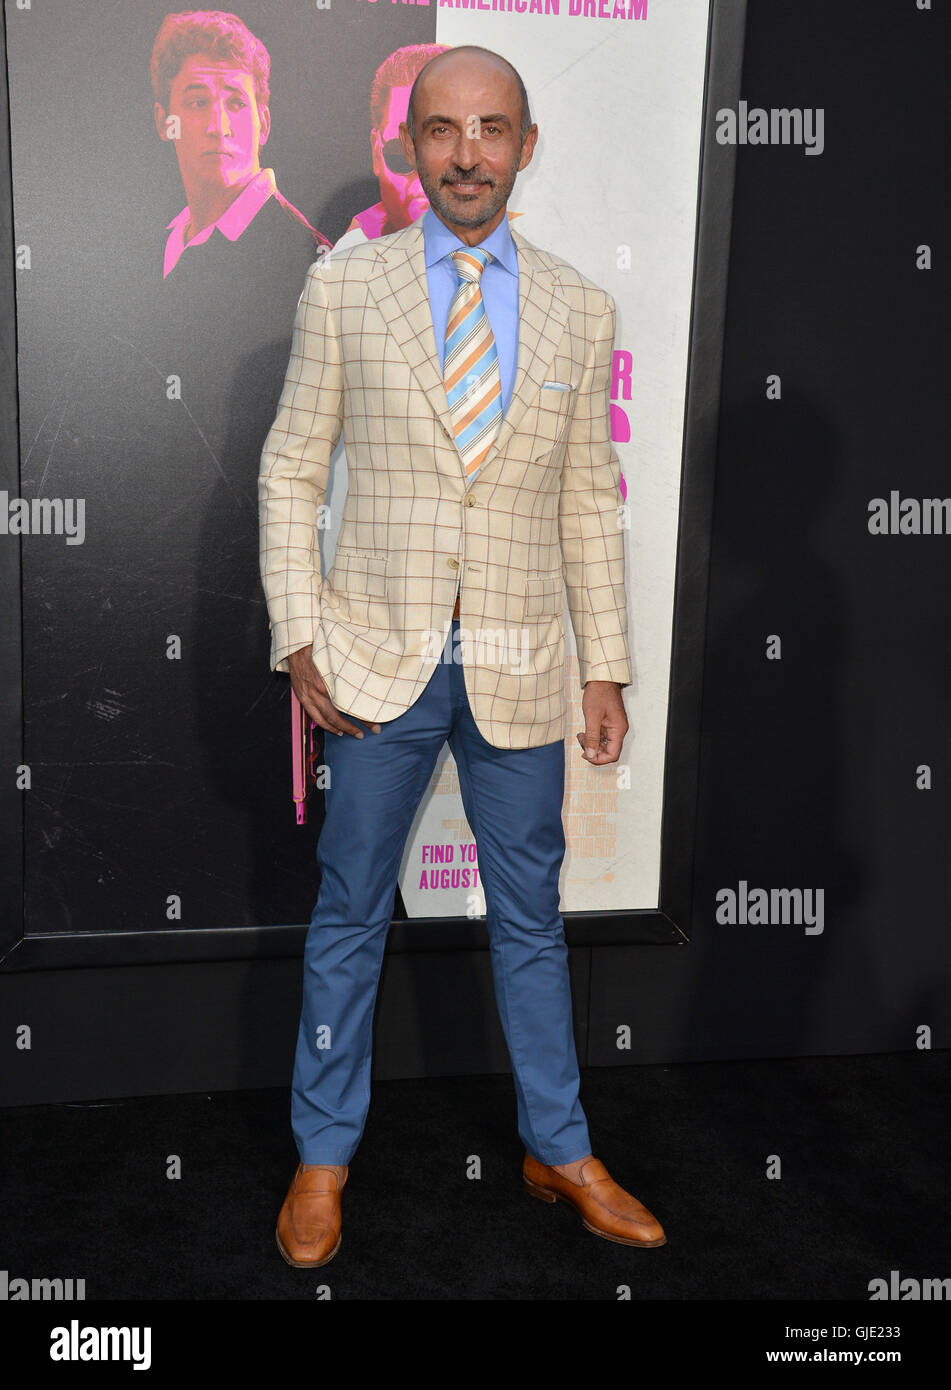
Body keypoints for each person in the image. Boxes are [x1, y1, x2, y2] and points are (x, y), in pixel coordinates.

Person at [258, 44, 666, 1267]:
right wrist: (297, 631)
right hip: (375, 657)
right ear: (412, 148)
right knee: (348, 912)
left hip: (522, 659)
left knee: (530, 915)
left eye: (492, 129)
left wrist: (606, 665)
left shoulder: (582, 308)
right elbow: (289, 468)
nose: (468, 153)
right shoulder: (345, 289)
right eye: (443, 131)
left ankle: (558, 1144)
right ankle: (322, 1160)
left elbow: (589, 500)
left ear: (526, 145)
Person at [150, 9, 330, 279]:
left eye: (236, 104)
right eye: (198, 103)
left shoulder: (311, 262)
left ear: (264, 124)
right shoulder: (154, 247)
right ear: (165, 123)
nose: (219, 127)